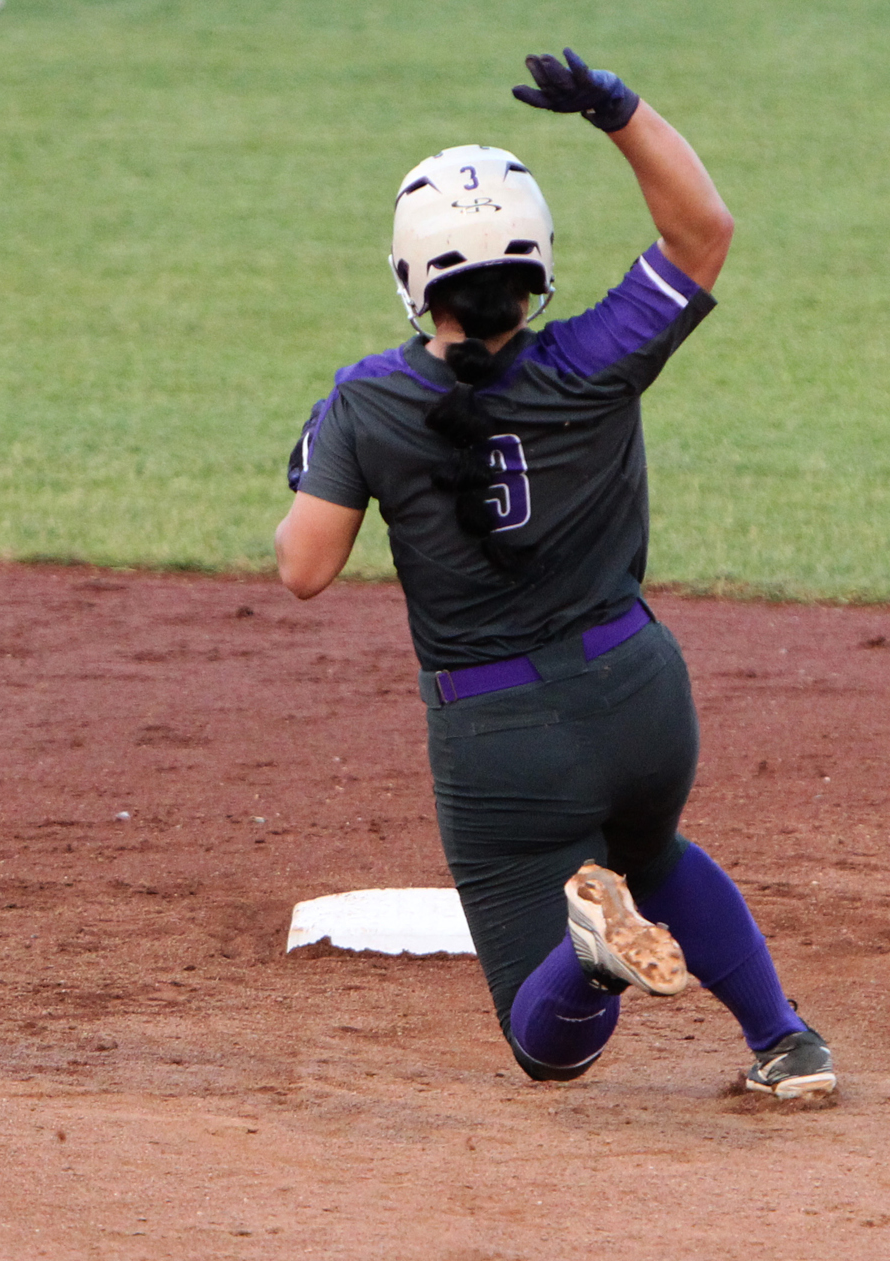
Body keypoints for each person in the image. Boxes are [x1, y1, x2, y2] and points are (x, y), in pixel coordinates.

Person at [273, 50, 834, 1098]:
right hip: (639, 697)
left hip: (501, 748)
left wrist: (323, 449)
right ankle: (784, 1039)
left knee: (546, 1045)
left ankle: (590, 953)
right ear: (534, 269)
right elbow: (701, 232)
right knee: (650, 848)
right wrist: (616, 111)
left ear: (411, 276)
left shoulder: (363, 403)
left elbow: (303, 568)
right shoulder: (594, 359)